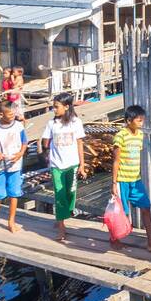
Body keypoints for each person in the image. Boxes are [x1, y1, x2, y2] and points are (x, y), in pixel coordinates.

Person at [110, 104, 151, 252]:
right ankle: (114, 239)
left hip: (136, 179)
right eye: (139, 120)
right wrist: (114, 183)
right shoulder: (120, 136)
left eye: (142, 120)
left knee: (146, 207)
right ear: (129, 121)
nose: (142, 123)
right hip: (122, 180)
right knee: (121, 212)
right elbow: (116, 161)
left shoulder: (140, 135)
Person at [40, 91, 86, 243]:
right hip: (57, 165)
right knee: (59, 196)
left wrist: (82, 165)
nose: (54, 110)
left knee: (70, 193)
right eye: (53, 107)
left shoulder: (75, 122)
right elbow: (45, 142)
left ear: (66, 107)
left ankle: (64, 214)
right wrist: (46, 153)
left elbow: (80, 143)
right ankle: (61, 226)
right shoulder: (51, 124)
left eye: (56, 107)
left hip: (72, 164)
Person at [0, 98, 27, 233]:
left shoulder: (18, 126)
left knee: (14, 193)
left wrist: (20, 154)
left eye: (14, 114)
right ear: (1, 114)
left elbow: (24, 143)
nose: (13, 116)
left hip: (15, 165)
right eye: (10, 115)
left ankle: (11, 221)